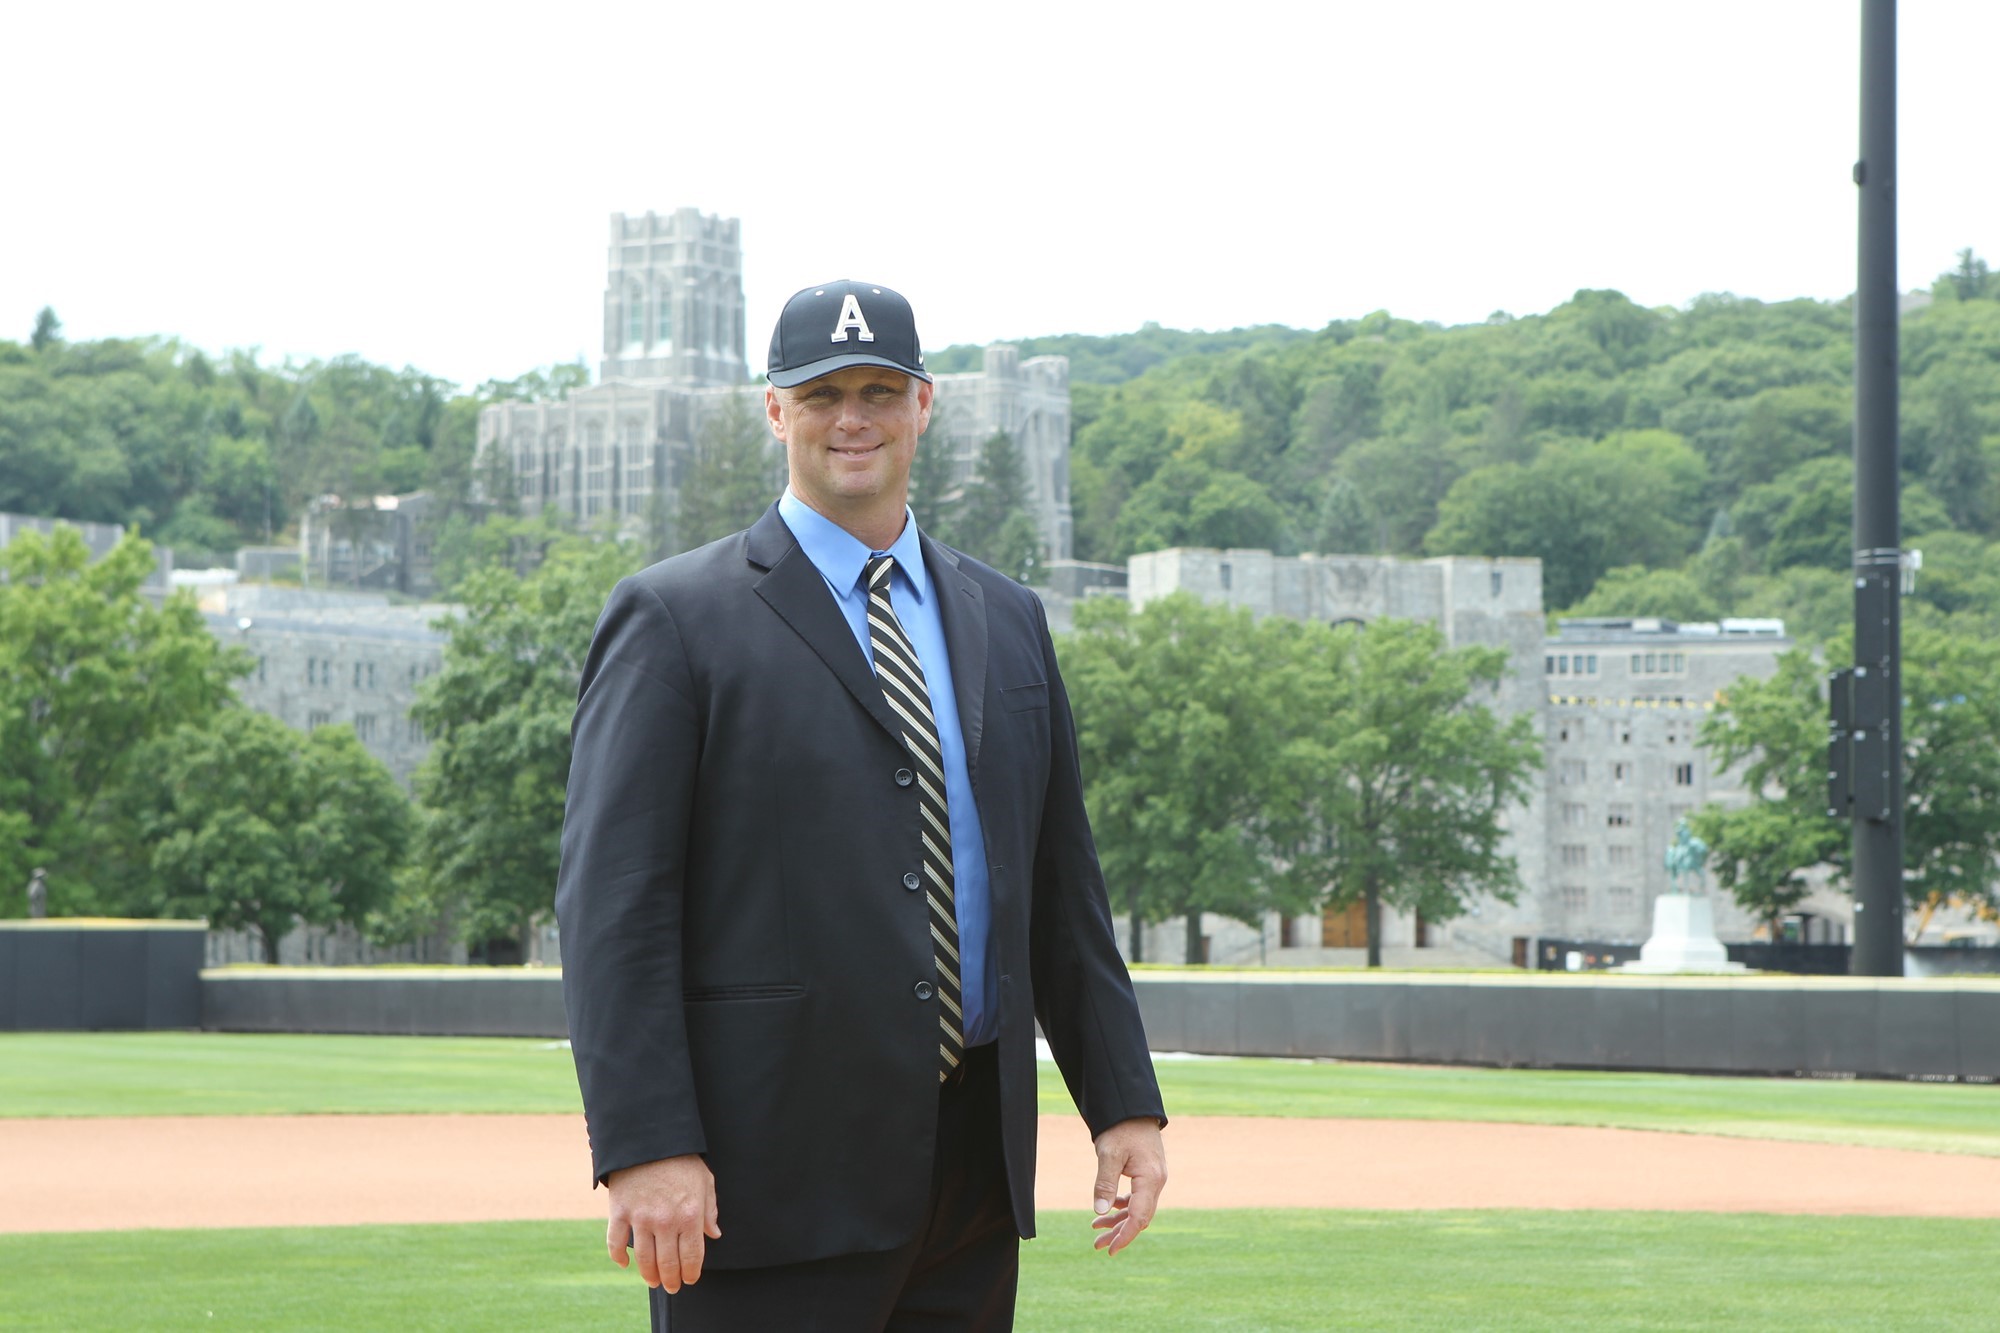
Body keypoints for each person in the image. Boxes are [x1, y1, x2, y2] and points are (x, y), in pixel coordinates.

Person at [556, 279, 1167, 1330]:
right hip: (767, 1177)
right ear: (773, 409)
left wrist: (1121, 1101)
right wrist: (648, 1143)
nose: (852, 417)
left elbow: (1059, 882)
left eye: (880, 390)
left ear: (923, 405)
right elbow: (614, 903)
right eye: (822, 391)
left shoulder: (1007, 617)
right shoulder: (675, 618)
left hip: (970, 1169)